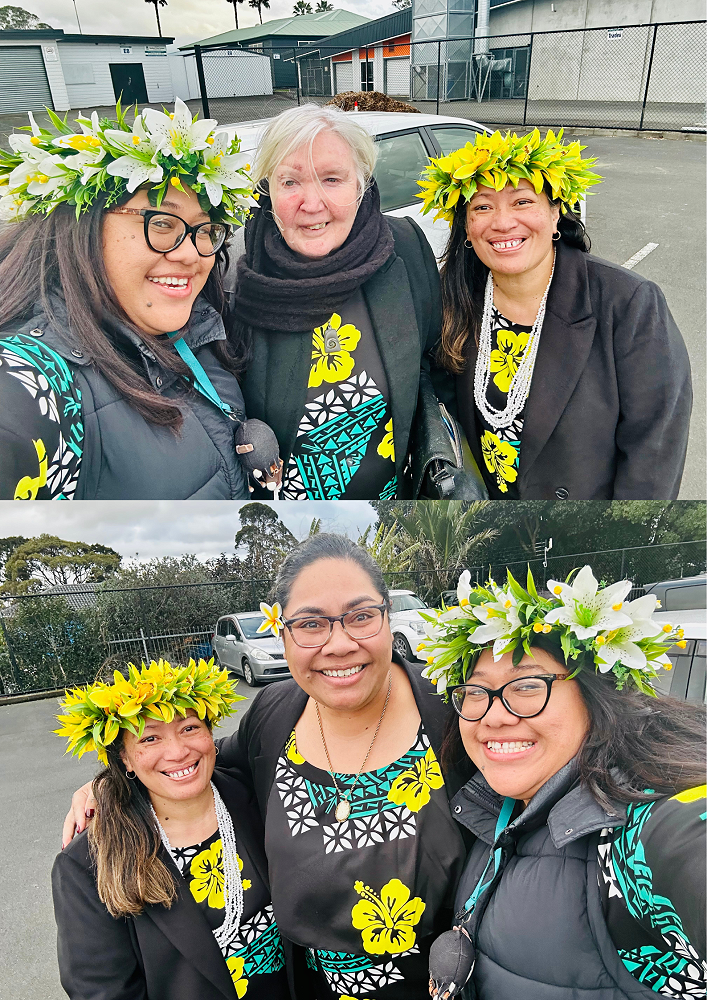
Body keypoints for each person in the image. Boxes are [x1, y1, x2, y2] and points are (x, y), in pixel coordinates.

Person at [65, 534, 469, 999]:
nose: (339, 644)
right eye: (311, 624)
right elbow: (193, 759)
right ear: (283, 634)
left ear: (387, 617)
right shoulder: (275, 714)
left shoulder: (453, 707)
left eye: (360, 617)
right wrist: (109, 784)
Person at [419, 565, 706, 1000]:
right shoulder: (500, 805)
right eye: (476, 691)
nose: (494, 715)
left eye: (528, 686)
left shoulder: (639, 834)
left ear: (596, 696)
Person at [0, 99, 281, 500]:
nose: (190, 253)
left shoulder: (196, 331)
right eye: (162, 222)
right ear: (81, 225)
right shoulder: (37, 383)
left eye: (206, 230)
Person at [418, 128, 692, 499]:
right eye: (482, 206)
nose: (502, 223)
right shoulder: (455, 298)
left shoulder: (630, 304)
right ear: (466, 227)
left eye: (522, 202)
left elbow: (653, 453)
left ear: (554, 213)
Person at [229, 104, 445, 500]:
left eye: (331, 179)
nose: (311, 204)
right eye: (290, 182)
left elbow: (434, 362)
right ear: (267, 192)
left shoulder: (406, 248)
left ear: (361, 186)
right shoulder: (238, 279)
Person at [52, 657, 290, 1000]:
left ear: (210, 733)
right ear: (124, 758)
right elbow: (103, 991)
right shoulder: (86, 865)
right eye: (149, 739)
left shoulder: (258, 794)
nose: (178, 752)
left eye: (189, 728)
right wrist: (106, 786)